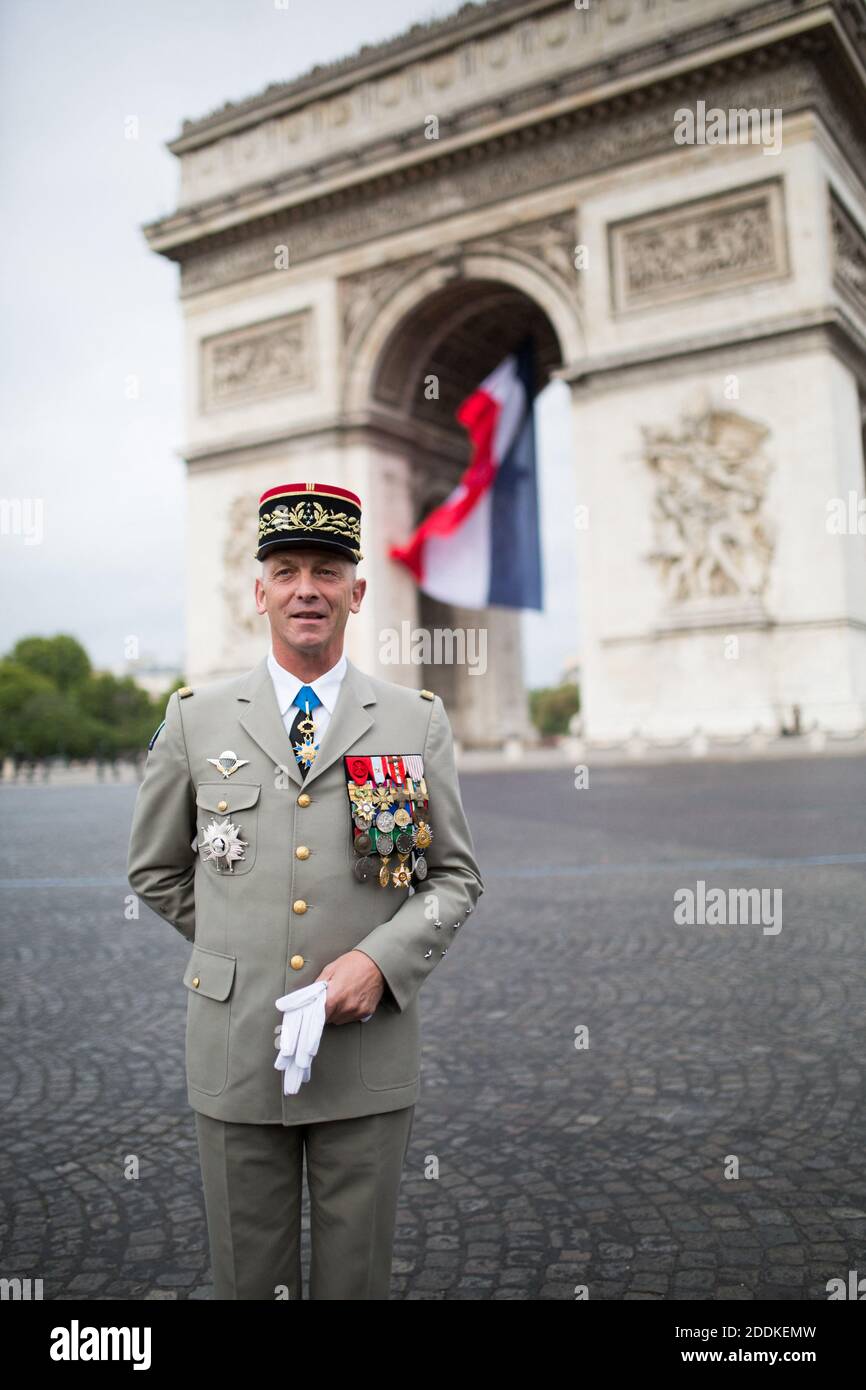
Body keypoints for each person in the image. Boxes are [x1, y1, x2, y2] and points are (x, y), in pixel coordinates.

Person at [127, 481, 484, 1299]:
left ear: (358, 592)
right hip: (236, 1042)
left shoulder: (413, 721)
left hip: (366, 1049)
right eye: (286, 570)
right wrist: (240, 945)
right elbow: (154, 869)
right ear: (259, 591)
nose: (306, 590)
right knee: (244, 1282)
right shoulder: (194, 720)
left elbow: (454, 877)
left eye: (327, 571)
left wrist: (377, 964)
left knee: (356, 1285)